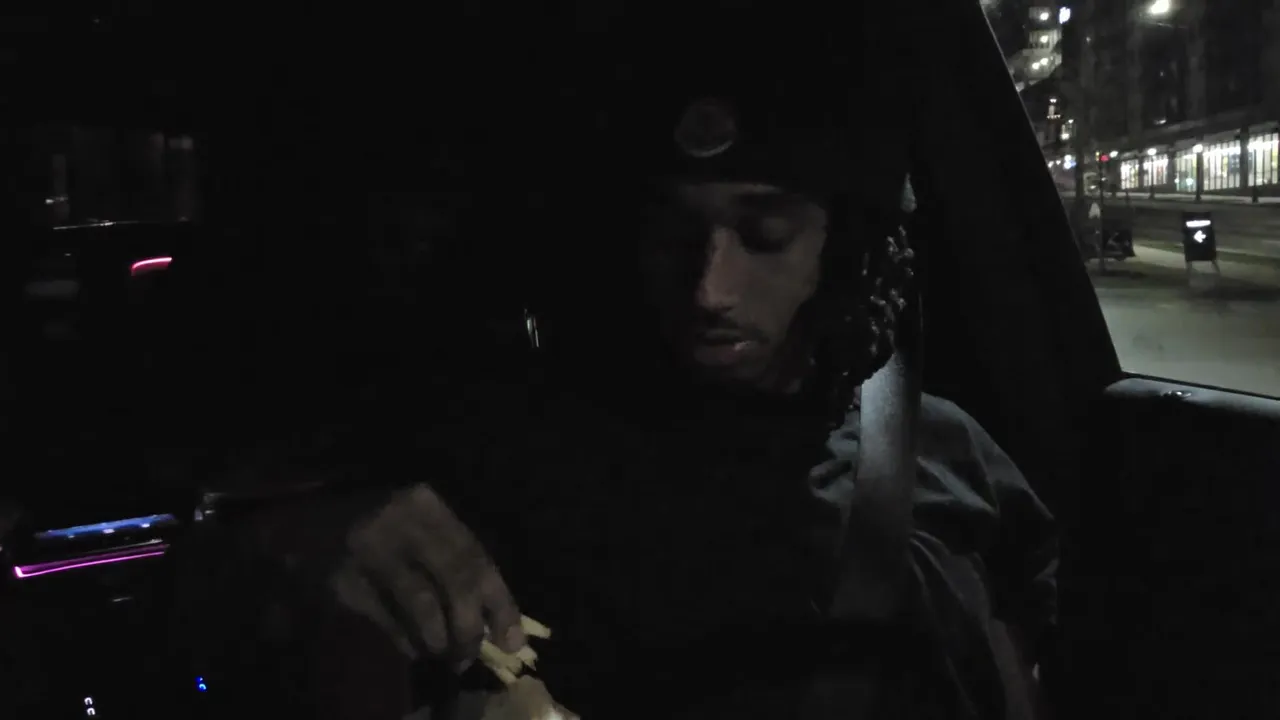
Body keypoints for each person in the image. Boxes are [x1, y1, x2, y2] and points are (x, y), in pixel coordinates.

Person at [175, 10, 1057, 720]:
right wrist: (303, 534)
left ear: (846, 247)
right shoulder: (511, 459)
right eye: (674, 232)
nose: (710, 288)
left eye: (765, 234)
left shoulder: (948, 457)